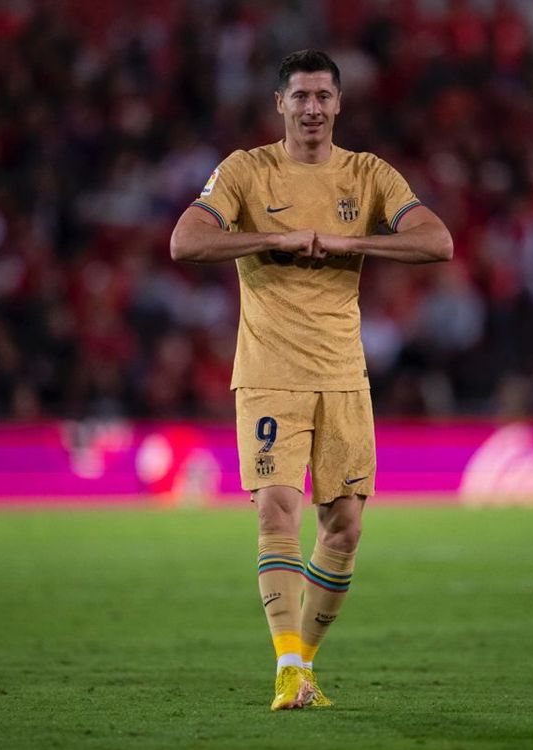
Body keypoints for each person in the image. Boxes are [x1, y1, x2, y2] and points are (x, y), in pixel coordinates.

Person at [169, 49, 453, 710]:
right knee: (276, 506)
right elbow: (185, 241)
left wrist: (354, 244)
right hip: (269, 370)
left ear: (339, 104)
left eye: (324, 96)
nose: (313, 108)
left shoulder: (368, 174)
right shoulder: (246, 170)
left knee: (344, 525)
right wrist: (273, 239)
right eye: (300, 96)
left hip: (343, 374)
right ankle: (287, 667)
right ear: (280, 104)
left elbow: (437, 241)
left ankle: (306, 664)